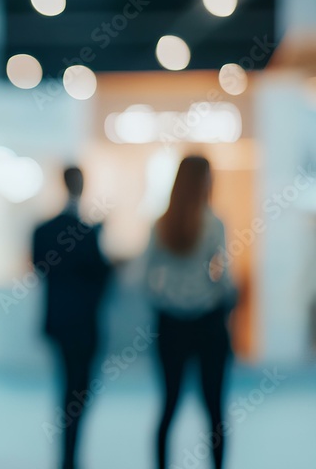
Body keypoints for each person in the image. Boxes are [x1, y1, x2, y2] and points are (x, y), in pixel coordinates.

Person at [143, 156, 236, 469]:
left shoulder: (160, 223)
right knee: (214, 409)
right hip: (208, 323)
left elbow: (146, 277)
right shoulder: (214, 223)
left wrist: (166, 301)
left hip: (170, 325)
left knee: (168, 405)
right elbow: (221, 277)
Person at [32, 166, 112, 469]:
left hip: (59, 322)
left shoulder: (43, 231)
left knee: (68, 387)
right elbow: (103, 277)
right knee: (78, 390)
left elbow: (40, 269)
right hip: (84, 325)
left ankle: (68, 454)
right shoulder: (88, 233)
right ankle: (69, 454)